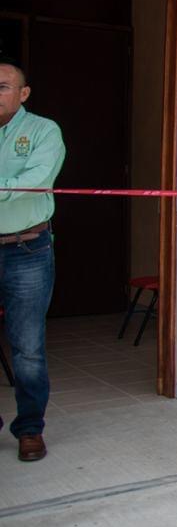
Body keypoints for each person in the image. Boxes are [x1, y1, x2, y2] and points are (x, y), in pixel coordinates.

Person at [0, 56, 65, 462]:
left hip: (27, 249)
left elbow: (36, 181)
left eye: (3, 85)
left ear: (23, 93)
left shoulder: (43, 130)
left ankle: (29, 429)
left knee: (26, 347)